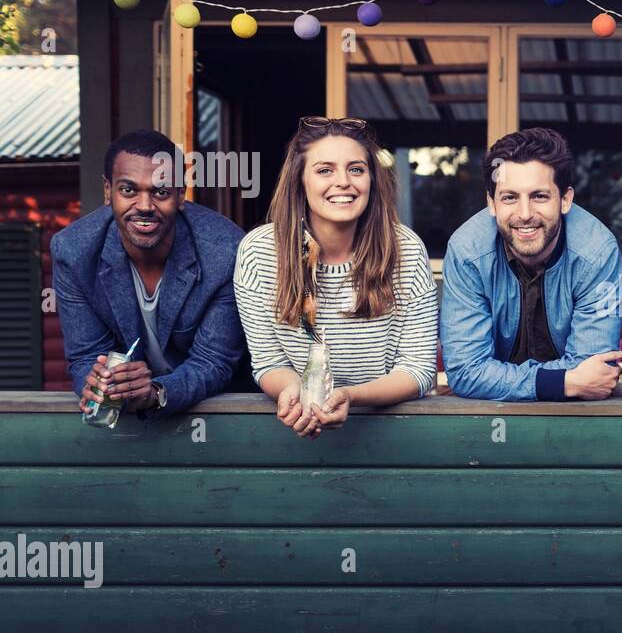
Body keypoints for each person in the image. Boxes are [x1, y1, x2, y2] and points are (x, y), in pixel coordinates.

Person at [234, 116, 438, 438]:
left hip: (393, 433)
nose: (343, 181)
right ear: (299, 180)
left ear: (372, 179)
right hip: (293, 434)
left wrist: (351, 396)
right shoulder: (260, 252)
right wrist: (292, 390)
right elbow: (268, 361)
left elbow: (419, 369)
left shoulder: (406, 250)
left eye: (356, 169)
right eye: (324, 170)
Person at [51, 128, 247, 420]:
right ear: (108, 191)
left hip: (216, 414)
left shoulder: (225, 251)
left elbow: (213, 362)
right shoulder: (73, 252)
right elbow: (85, 356)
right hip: (124, 422)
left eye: (161, 192)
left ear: (180, 195)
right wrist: (97, 385)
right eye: (128, 190)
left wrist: (156, 393)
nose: (144, 206)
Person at [439, 127, 622, 401]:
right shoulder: (467, 251)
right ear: (491, 203)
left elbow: (593, 369)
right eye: (510, 197)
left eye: (539, 196)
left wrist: (498, 379)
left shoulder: (597, 252)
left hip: (575, 419)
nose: (525, 214)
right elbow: (466, 371)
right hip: (490, 416)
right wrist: (563, 382)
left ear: (565, 200)